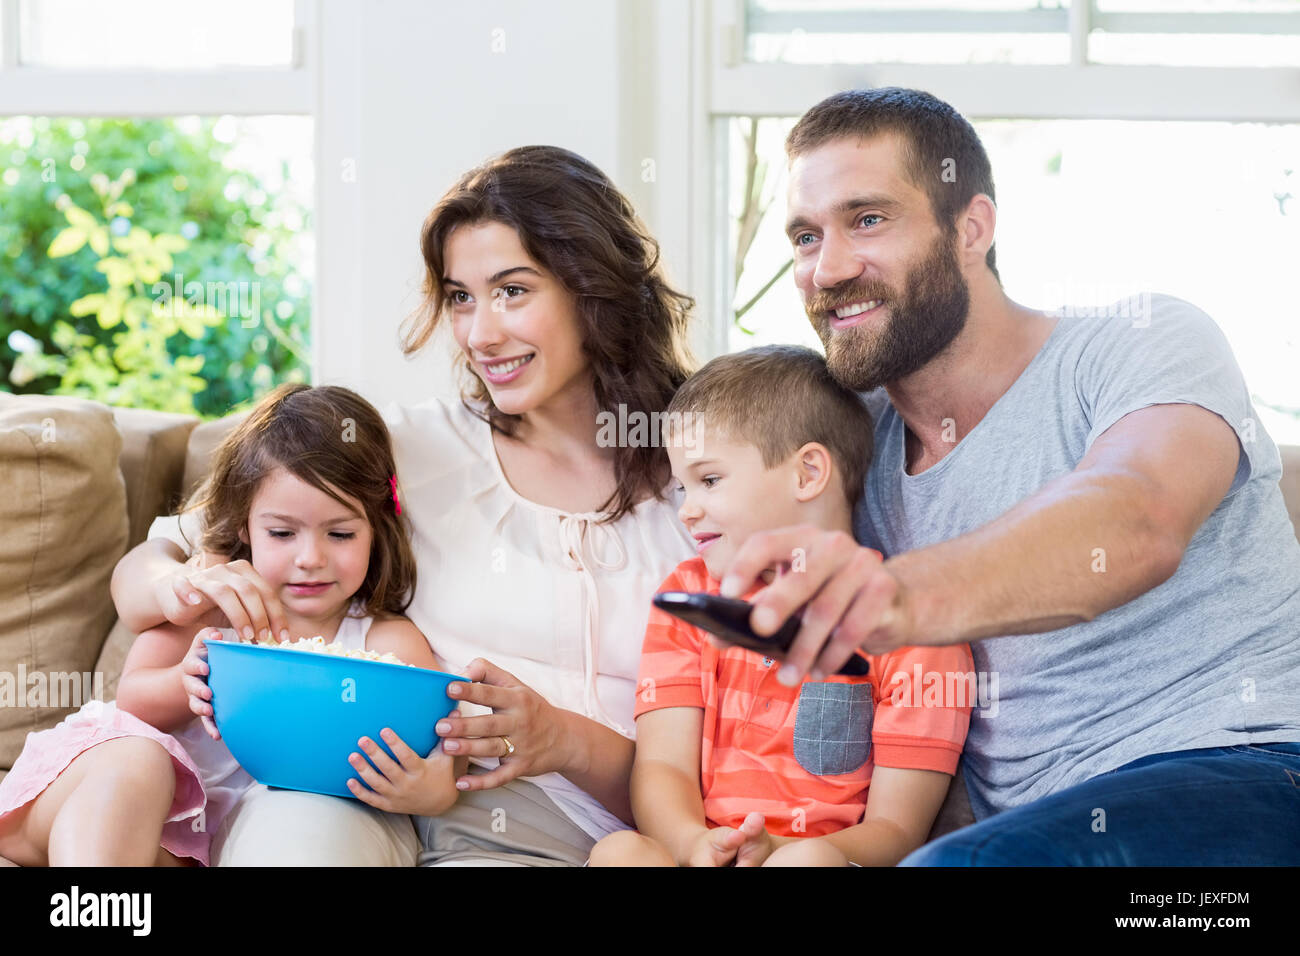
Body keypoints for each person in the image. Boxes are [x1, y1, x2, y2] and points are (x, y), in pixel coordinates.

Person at [715, 87, 1300, 865]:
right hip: (1023, 832)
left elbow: (1137, 519)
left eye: (868, 219)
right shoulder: (849, 444)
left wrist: (891, 597)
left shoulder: (1137, 342)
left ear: (971, 228)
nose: (828, 268)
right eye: (803, 236)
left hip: (1241, 776)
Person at [109, 145, 700, 866]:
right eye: (460, 297)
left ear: (592, 288)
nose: (481, 334)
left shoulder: (702, 478)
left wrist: (567, 740)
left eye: (513, 290)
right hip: (391, 795)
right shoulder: (409, 446)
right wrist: (182, 583)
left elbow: (733, 753)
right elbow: (162, 552)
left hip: (642, 833)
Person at [0, 384, 451, 866]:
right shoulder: (215, 597)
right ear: (245, 528)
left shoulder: (382, 640)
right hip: (91, 798)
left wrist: (427, 791)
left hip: (185, 846)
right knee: (142, 760)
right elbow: (133, 700)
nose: (310, 559)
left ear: (377, 528)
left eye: (340, 534)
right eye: (281, 533)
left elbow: (440, 751)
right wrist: (186, 682)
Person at [588, 346, 973, 867]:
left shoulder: (909, 628)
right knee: (620, 852)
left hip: (816, 859)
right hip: (699, 855)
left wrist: (776, 851)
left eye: (709, 479)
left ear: (807, 473)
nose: (687, 510)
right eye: (682, 487)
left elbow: (896, 831)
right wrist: (695, 845)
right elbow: (663, 767)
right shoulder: (690, 599)